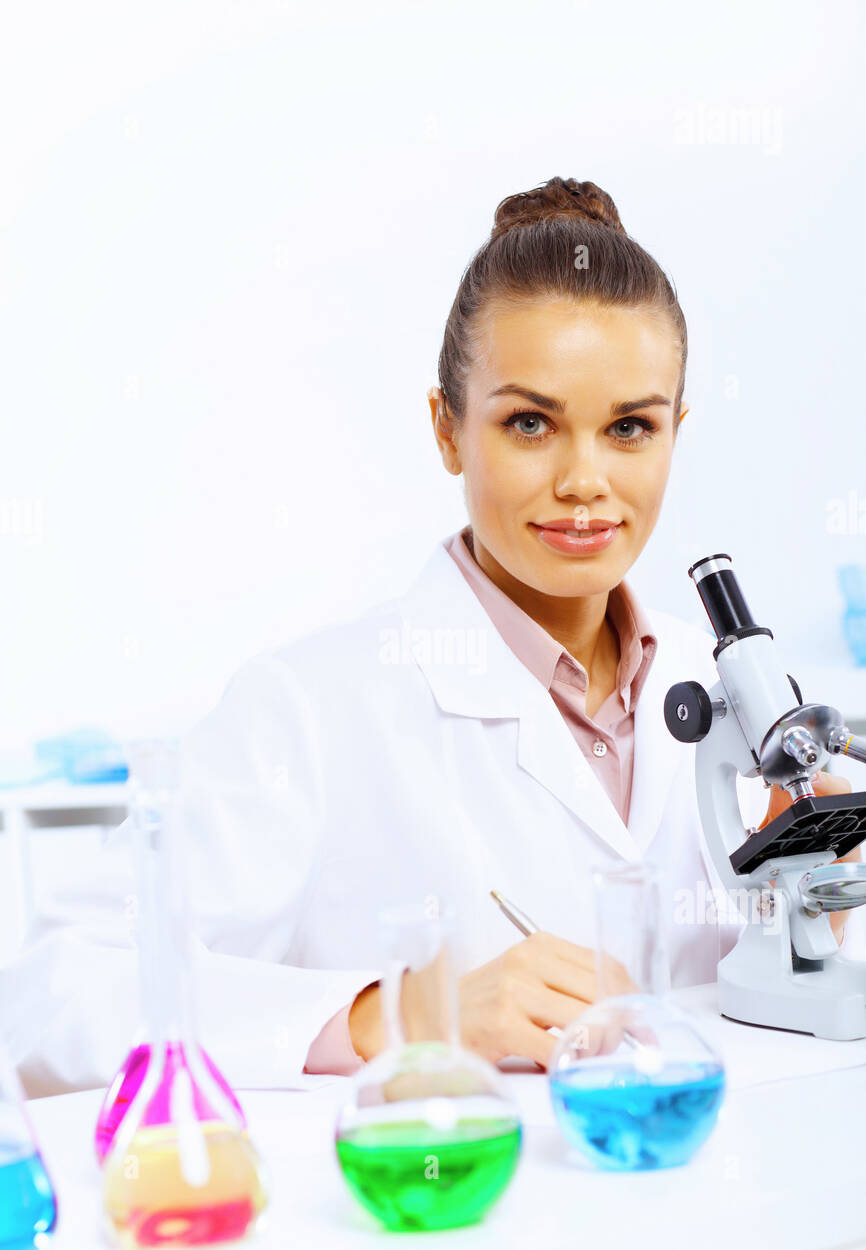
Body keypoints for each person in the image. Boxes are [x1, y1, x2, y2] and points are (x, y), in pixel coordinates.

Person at [1, 176, 857, 1096]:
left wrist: (814, 911)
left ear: (674, 435)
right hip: (453, 1219)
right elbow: (61, 991)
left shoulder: (732, 700)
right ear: (447, 428)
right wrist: (404, 1016)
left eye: (630, 428)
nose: (584, 479)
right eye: (530, 423)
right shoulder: (311, 709)